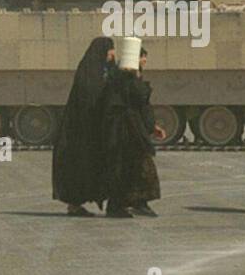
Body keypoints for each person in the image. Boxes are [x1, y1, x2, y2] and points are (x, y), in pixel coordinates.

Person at [52, 37, 114, 216]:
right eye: (110, 50)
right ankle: (74, 204)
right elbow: (90, 96)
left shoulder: (98, 69)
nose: (112, 54)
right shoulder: (89, 71)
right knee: (80, 166)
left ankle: (79, 203)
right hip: (81, 130)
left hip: (91, 129)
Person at [101, 44, 164, 218]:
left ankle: (139, 201)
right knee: (124, 167)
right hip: (124, 131)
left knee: (138, 166)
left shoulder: (130, 78)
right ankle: (118, 205)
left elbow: (143, 106)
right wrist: (131, 76)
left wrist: (152, 126)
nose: (144, 60)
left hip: (134, 129)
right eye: (142, 57)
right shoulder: (123, 79)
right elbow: (137, 96)